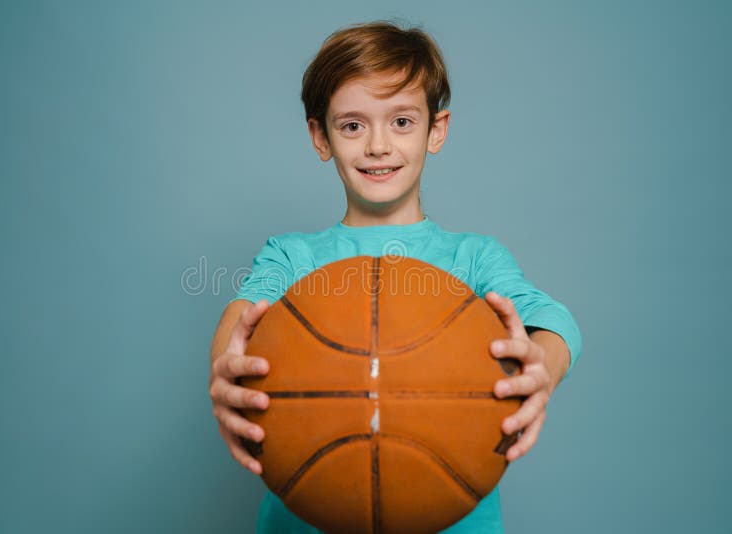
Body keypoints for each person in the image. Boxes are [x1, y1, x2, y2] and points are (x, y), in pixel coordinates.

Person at [209, 20, 582, 533]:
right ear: (320, 136)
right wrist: (225, 368)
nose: (378, 146)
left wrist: (543, 365)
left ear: (437, 130)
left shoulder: (473, 259)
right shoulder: (292, 258)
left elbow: (554, 321)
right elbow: (240, 318)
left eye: (402, 121)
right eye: (352, 126)